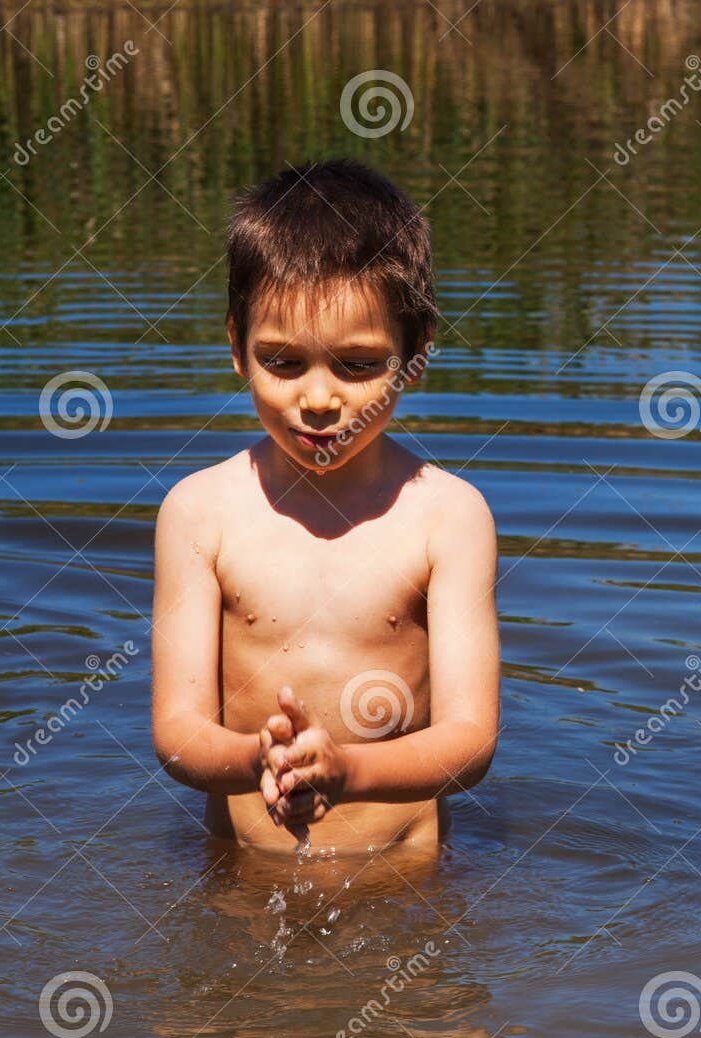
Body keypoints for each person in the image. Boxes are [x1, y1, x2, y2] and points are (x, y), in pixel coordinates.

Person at [150, 158, 499, 854]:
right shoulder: (199, 512)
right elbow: (176, 732)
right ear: (236, 347)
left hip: (404, 891)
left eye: (358, 364)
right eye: (282, 361)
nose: (316, 398)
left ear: (416, 354)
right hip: (243, 885)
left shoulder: (449, 518)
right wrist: (259, 759)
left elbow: (471, 739)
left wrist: (349, 770)